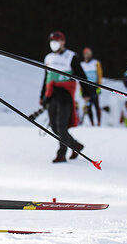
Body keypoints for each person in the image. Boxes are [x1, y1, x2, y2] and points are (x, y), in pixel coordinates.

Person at [39, 31, 87, 163]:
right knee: (54, 127)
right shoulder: (48, 58)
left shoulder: (71, 57)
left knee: (61, 124)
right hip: (51, 95)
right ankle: (75, 145)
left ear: (63, 42)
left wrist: (87, 93)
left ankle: (62, 153)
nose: (53, 43)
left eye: (56, 40)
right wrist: (42, 95)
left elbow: (82, 76)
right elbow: (46, 77)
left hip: (65, 95)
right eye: (52, 41)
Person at [79, 47, 102, 126]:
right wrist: (81, 89)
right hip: (86, 87)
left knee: (96, 105)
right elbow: (80, 77)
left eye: (90, 52)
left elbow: (99, 74)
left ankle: (99, 123)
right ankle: (92, 123)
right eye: (87, 53)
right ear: (84, 54)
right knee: (88, 106)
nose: (89, 54)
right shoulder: (82, 64)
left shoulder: (96, 62)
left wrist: (99, 86)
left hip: (94, 86)